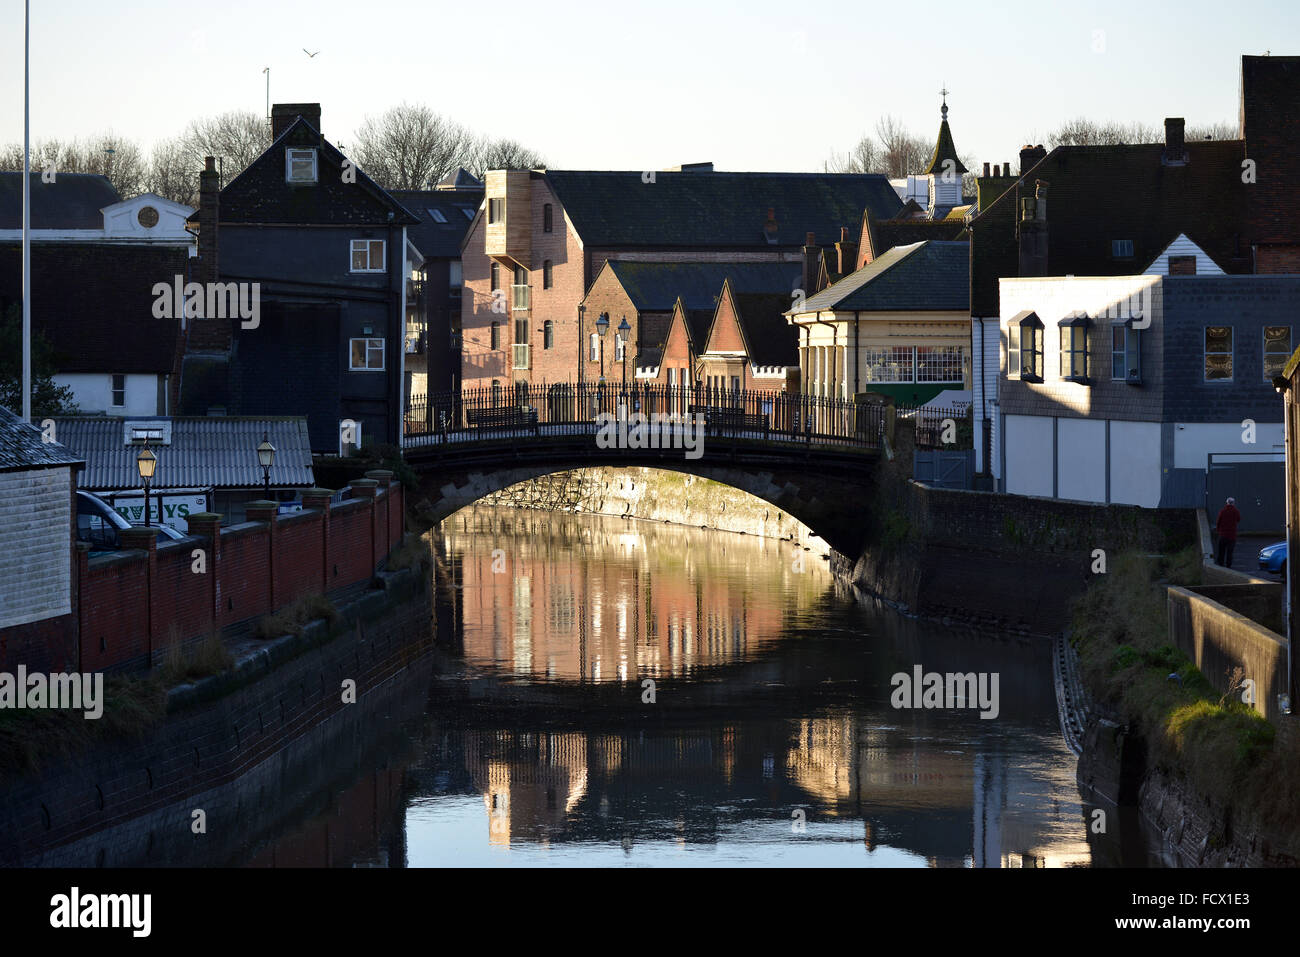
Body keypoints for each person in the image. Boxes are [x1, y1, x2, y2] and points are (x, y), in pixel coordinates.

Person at [1215, 496, 1241, 567]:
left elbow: (1218, 521)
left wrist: (1218, 530)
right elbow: (1238, 519)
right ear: (1233, 503)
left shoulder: (1223, 511)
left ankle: (1221, 563)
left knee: (1221, 550)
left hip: (1223, 534)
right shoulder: (1236, 511)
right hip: (1232, 535)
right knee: (1230, 551)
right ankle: (1228, 564)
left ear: (1227, 502)